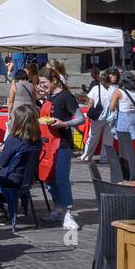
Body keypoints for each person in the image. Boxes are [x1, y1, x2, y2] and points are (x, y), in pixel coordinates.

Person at [40, 68, 84, 230]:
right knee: (48, 178)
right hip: (47, 144)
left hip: (62, 144)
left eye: (44, 82)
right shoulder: (49, 96)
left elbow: (80, 118)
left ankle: (67, 213)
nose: (41, 85)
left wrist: (64, 124)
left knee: (61, 179)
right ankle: (58, 208)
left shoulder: (66, 97)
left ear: (54, 81)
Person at [0, 104, 42, 212]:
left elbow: (2, 162)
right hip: (28, 178)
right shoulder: (37, 139)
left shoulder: (14, 138)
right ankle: (7, 206)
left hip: (11, 179)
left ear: (18, 121)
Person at [80, 69, 114, 164]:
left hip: (98, 116)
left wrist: (88, 112)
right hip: (110, 117)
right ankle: (104, 158)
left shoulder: (95, 88)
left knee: (93, 136)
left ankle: (86, 155)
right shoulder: (114, 89)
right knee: (108, 138)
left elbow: (90, 102)